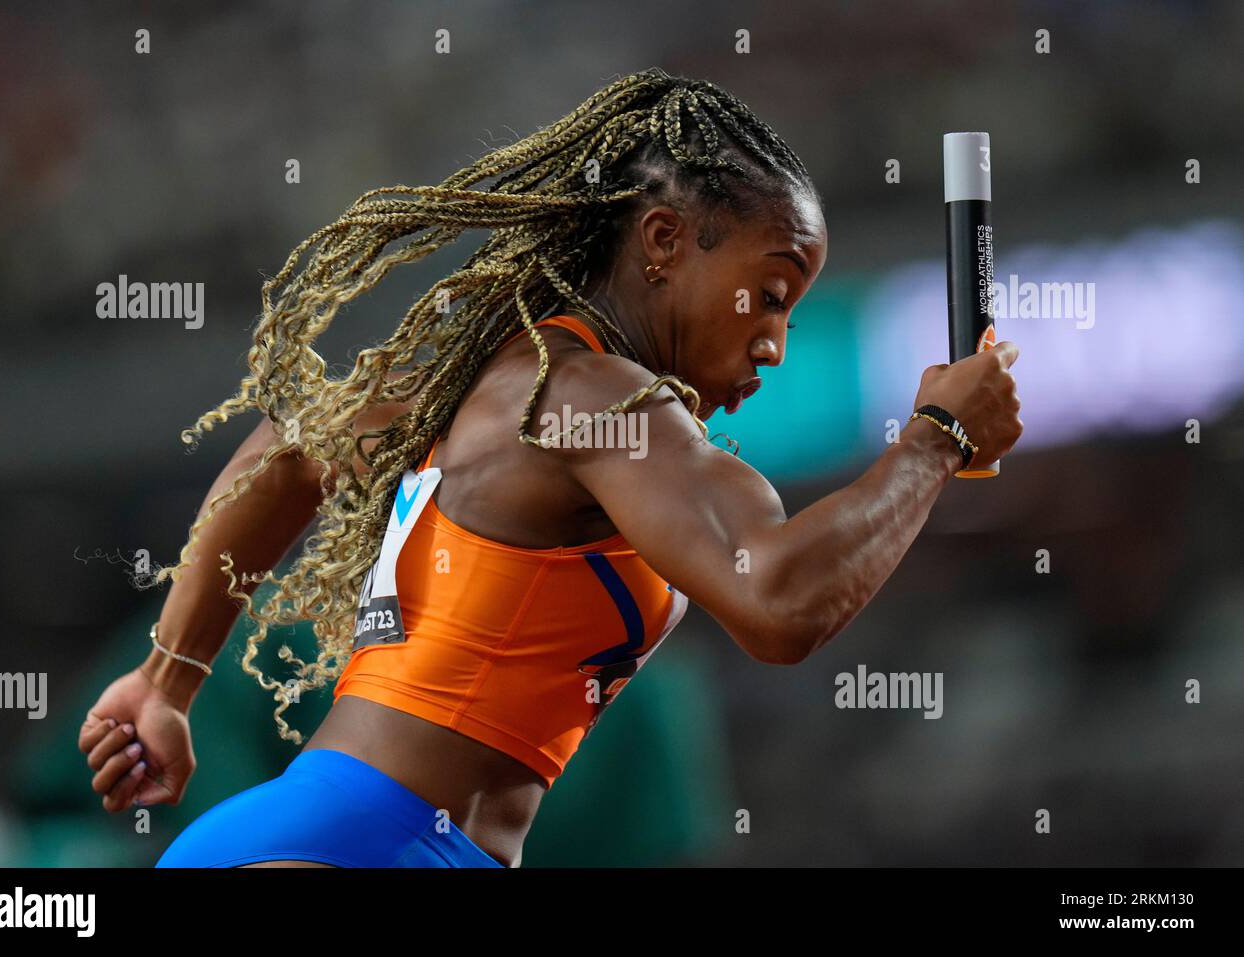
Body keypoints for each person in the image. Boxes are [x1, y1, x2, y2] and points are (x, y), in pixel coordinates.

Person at [77, 67, 1022, 868]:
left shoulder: (500, 373)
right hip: (355, 847)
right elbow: (778, 602)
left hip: (332, 835)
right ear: (661, 242)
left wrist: (169, 679)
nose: (774, 344)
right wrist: (935, 438)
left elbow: (283, 458)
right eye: (768, 295)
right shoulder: (587, 400)